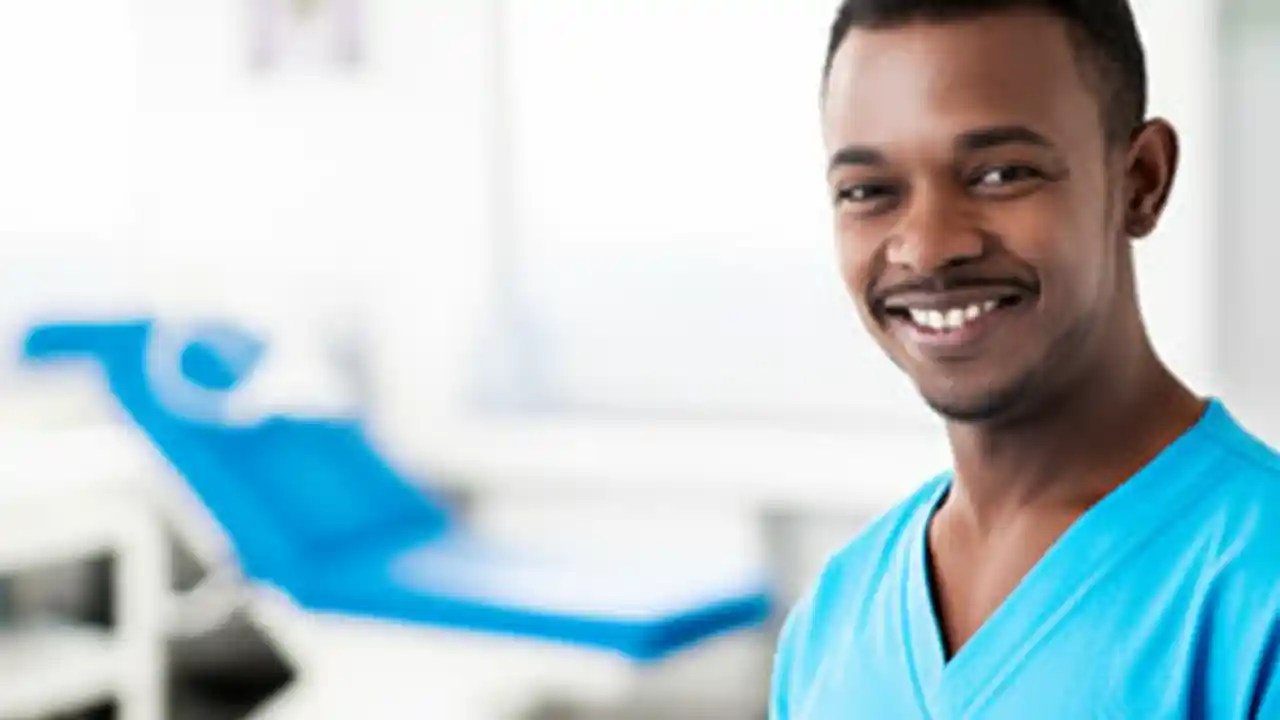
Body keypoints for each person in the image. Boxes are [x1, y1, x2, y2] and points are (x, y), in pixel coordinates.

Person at [770, 1, 1280, 717]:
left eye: (1000, 174)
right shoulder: (830, 625)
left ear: (1140, 181)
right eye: (869, 192)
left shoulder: (1257, 588)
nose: (927, 246)